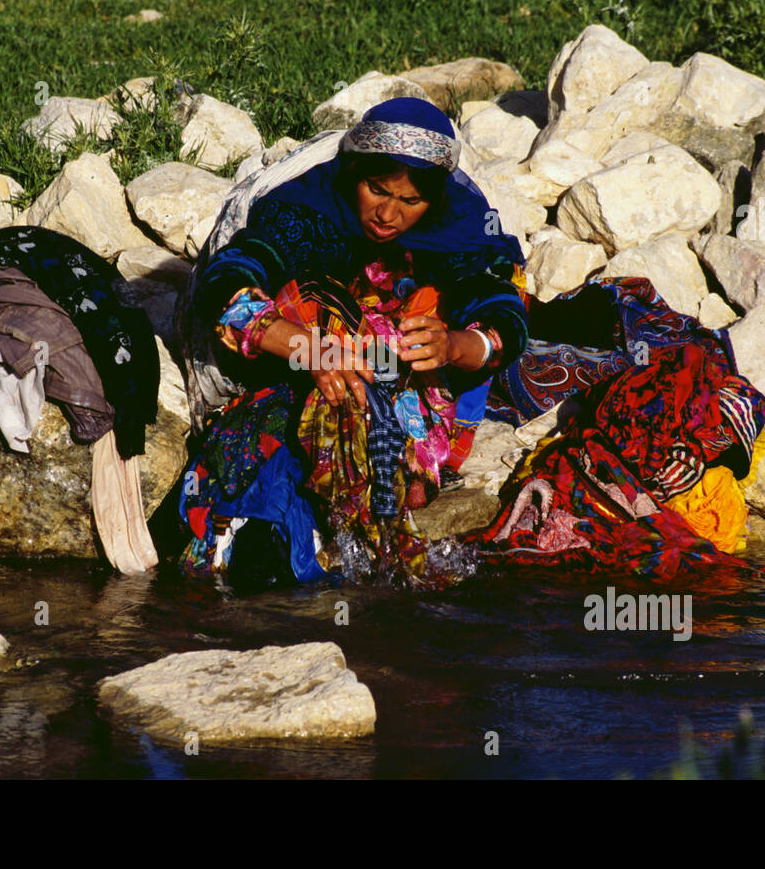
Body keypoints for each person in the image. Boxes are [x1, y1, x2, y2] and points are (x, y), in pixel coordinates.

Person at [175, 97, 528, 590]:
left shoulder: (457, 225)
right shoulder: (308, 211)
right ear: (353, 174)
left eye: (410, 201)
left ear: (435, 201)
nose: (387, 214)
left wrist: (453, 345)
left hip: (391, 362)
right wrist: (312, 349)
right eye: (376, 189)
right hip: (296, 353)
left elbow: (502, 316)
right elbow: (229, 285)